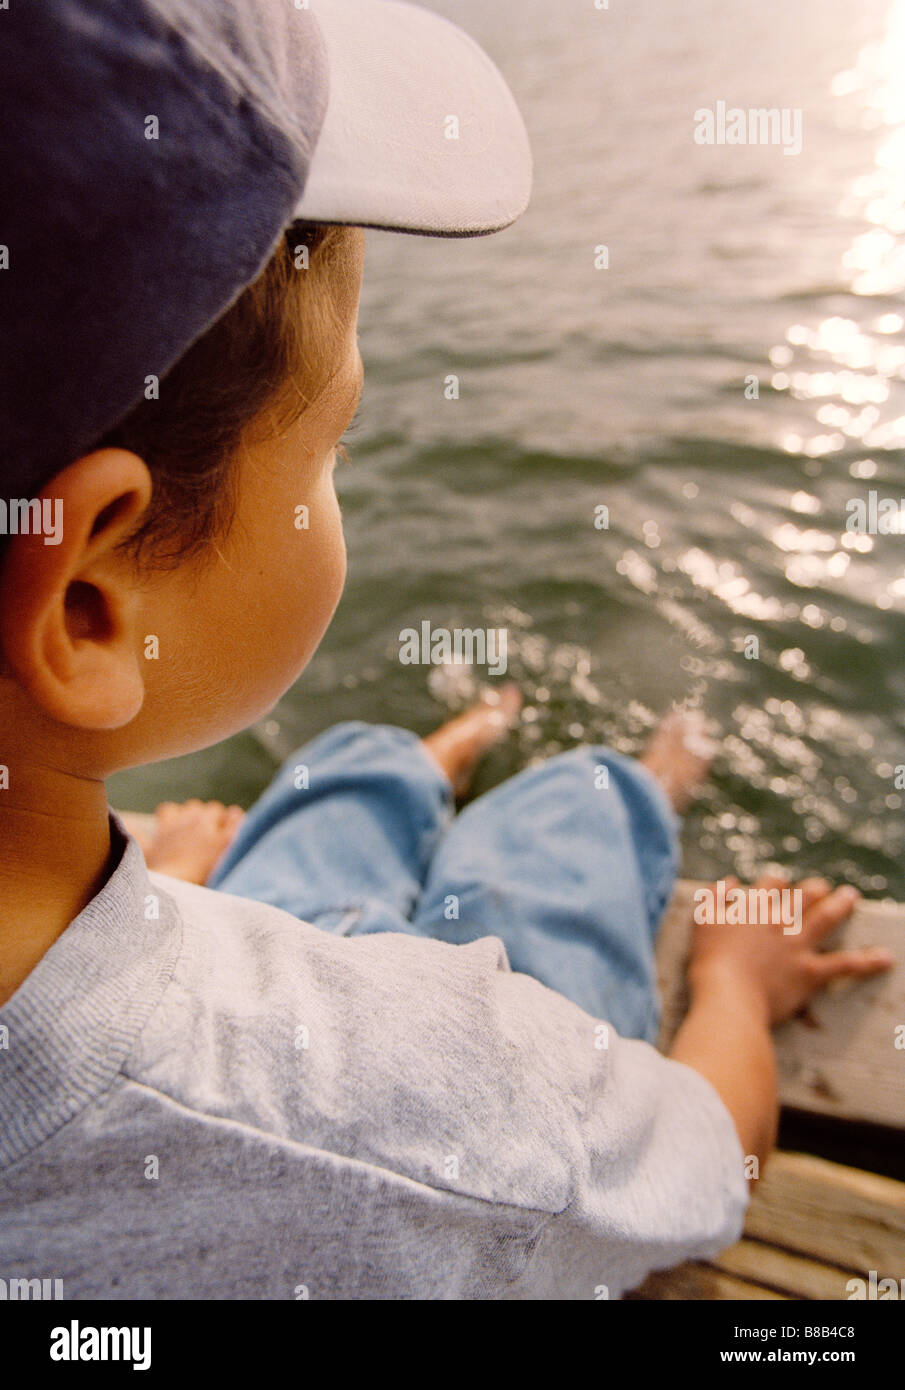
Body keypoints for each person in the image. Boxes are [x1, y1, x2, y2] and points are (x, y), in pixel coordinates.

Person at [0, 0, 893, 1301]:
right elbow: (705, 1160)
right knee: (555, 821)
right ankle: (619, 785)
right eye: (333, 448)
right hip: (366, 1047)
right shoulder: (452, 1106)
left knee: (343, 782)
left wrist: (145, 874)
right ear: (88, 603)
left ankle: (422, 762)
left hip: (219, 957)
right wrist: (737, 991)